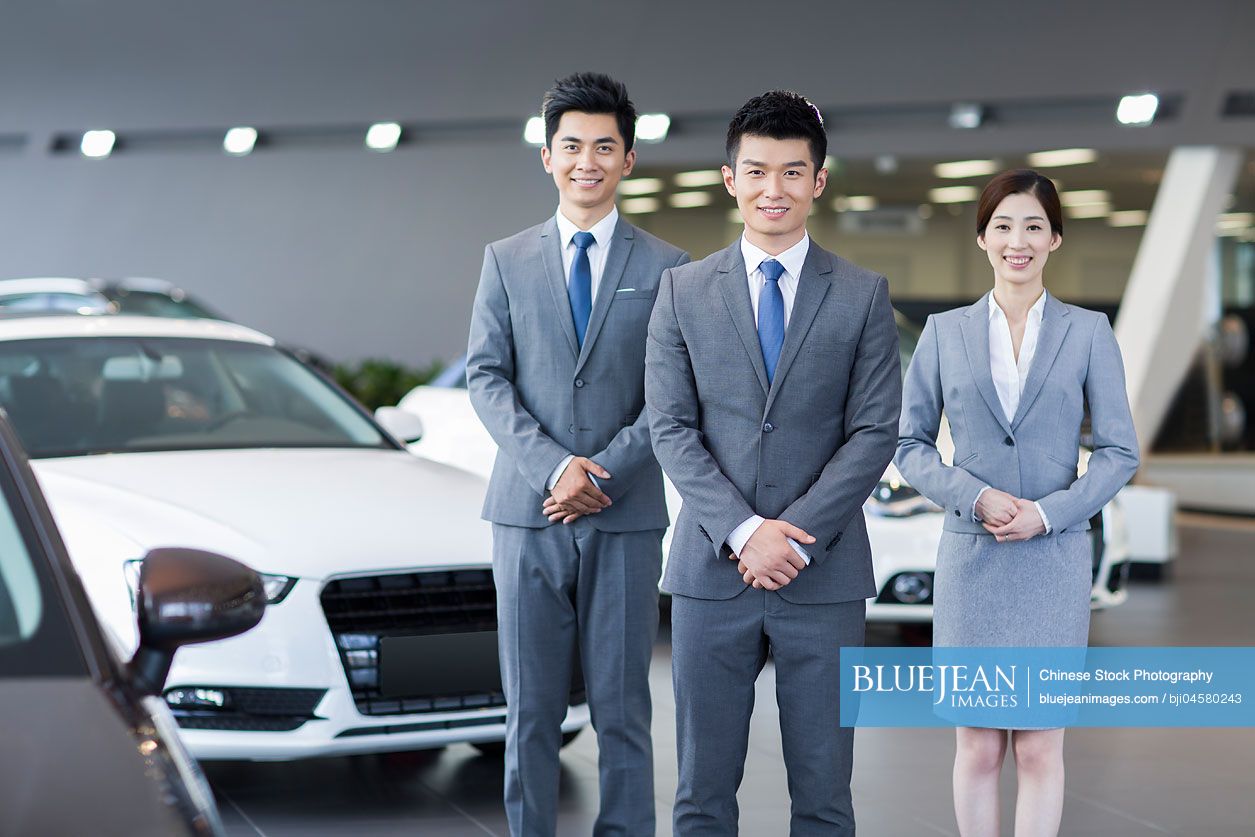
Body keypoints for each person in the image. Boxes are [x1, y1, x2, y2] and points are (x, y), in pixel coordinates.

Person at [645, 90, 901, 836]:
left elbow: (873, 431)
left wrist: (788, 535)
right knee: (699, 794)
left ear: (818, 181)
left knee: (824, 796)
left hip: (822, 578)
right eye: (756, 171)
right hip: (709, 574)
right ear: (729, 178)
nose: (773, 190)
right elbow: (669, 427)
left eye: (792, 172)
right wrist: (742, 529)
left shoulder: (859, 295)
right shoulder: (681, 291)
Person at [466, 72, 688, 837]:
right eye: (571, 146)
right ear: (546, 156)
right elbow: (486, 376)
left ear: (628, 159)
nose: (585, 161)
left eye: (604, 146)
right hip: (525, 515)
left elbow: (669, 394)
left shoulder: (668, 266)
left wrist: (602, 471)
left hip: (623, 516)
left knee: (624, 705)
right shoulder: (504, 259)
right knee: (529, 706)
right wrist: (553, 467)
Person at [895, 169, 1140, 836]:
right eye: (1002, 225)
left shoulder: (1088, 331)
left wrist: (1049, 511)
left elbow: (1119, 451)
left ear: (1055, 237)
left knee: (1037, 744)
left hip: (1051, 561)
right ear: (981, 236)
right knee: (975, 744)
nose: (1017, 240)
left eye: (1033, 225)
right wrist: (971, 497)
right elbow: (907, 442)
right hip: (971, 563)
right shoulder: (943, 332)